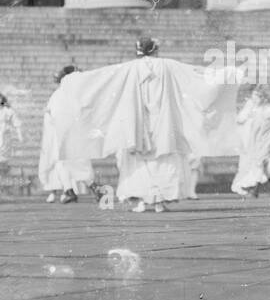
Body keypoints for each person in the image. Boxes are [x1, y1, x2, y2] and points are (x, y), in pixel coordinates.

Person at [46, 36, 243, 213]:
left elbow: (100, 80)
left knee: (139, 163)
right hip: (163, 123)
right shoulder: (169, 65)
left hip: (137, 124)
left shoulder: (128, 69)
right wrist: (230, 72)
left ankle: (141, 201)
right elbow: (197, 75)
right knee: (162, 160)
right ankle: (159, 202)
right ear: (156, 50)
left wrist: (73, 80)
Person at [38, 65, 95, 204]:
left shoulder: (63, 94)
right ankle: (75, 190)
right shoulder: (66, 93)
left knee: (70, 162)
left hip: (67, 132)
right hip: (67, 132)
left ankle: (82, 189)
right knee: (69, 162)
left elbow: (51, 115)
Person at [231, 88, 270, 197]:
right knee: (262, 166)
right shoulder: (253, 110)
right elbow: (240, 120)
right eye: (253, 97)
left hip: (266, 142)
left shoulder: (269, 111)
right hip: (255, 142)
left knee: (259, 164)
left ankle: (255, 189)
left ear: (262, 98)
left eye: (256, 97)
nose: (254, 99)